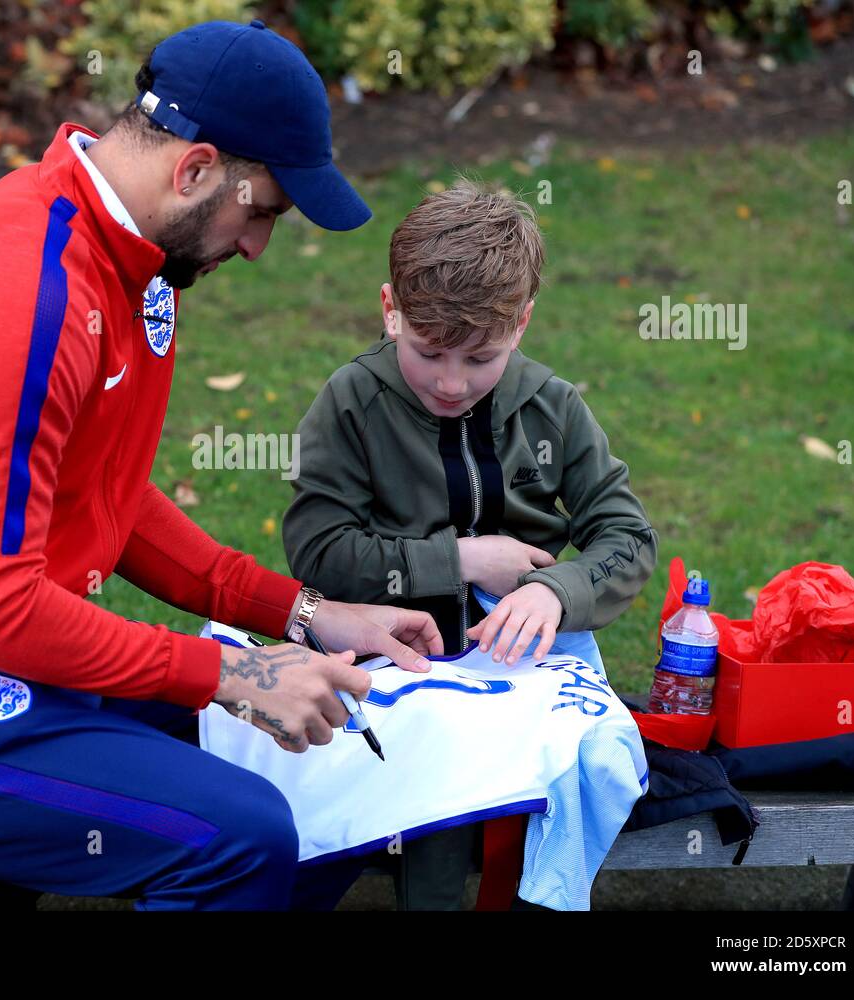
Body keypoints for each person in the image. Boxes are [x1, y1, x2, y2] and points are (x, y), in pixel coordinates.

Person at [0, 19, 443, 912]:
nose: (258, 245)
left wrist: (304, 615)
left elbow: (105, 491)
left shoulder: (138, 258)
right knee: (239, 835)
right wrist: (231, 672)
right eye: (260, 211)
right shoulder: (28, 291)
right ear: (195, 170)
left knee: (323, 764)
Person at [282, 178, 658, 910]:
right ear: (390, 310)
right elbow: (319, 554)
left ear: (521, 323)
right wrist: (458, 559)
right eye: (430, 353)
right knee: (443, 777)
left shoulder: (553, 407)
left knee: (586, 767)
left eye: (479, 359)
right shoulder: (351, 402)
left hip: (523, 675)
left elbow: (627, 536)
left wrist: (558, 590)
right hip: (387, 671)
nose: (452, 383)